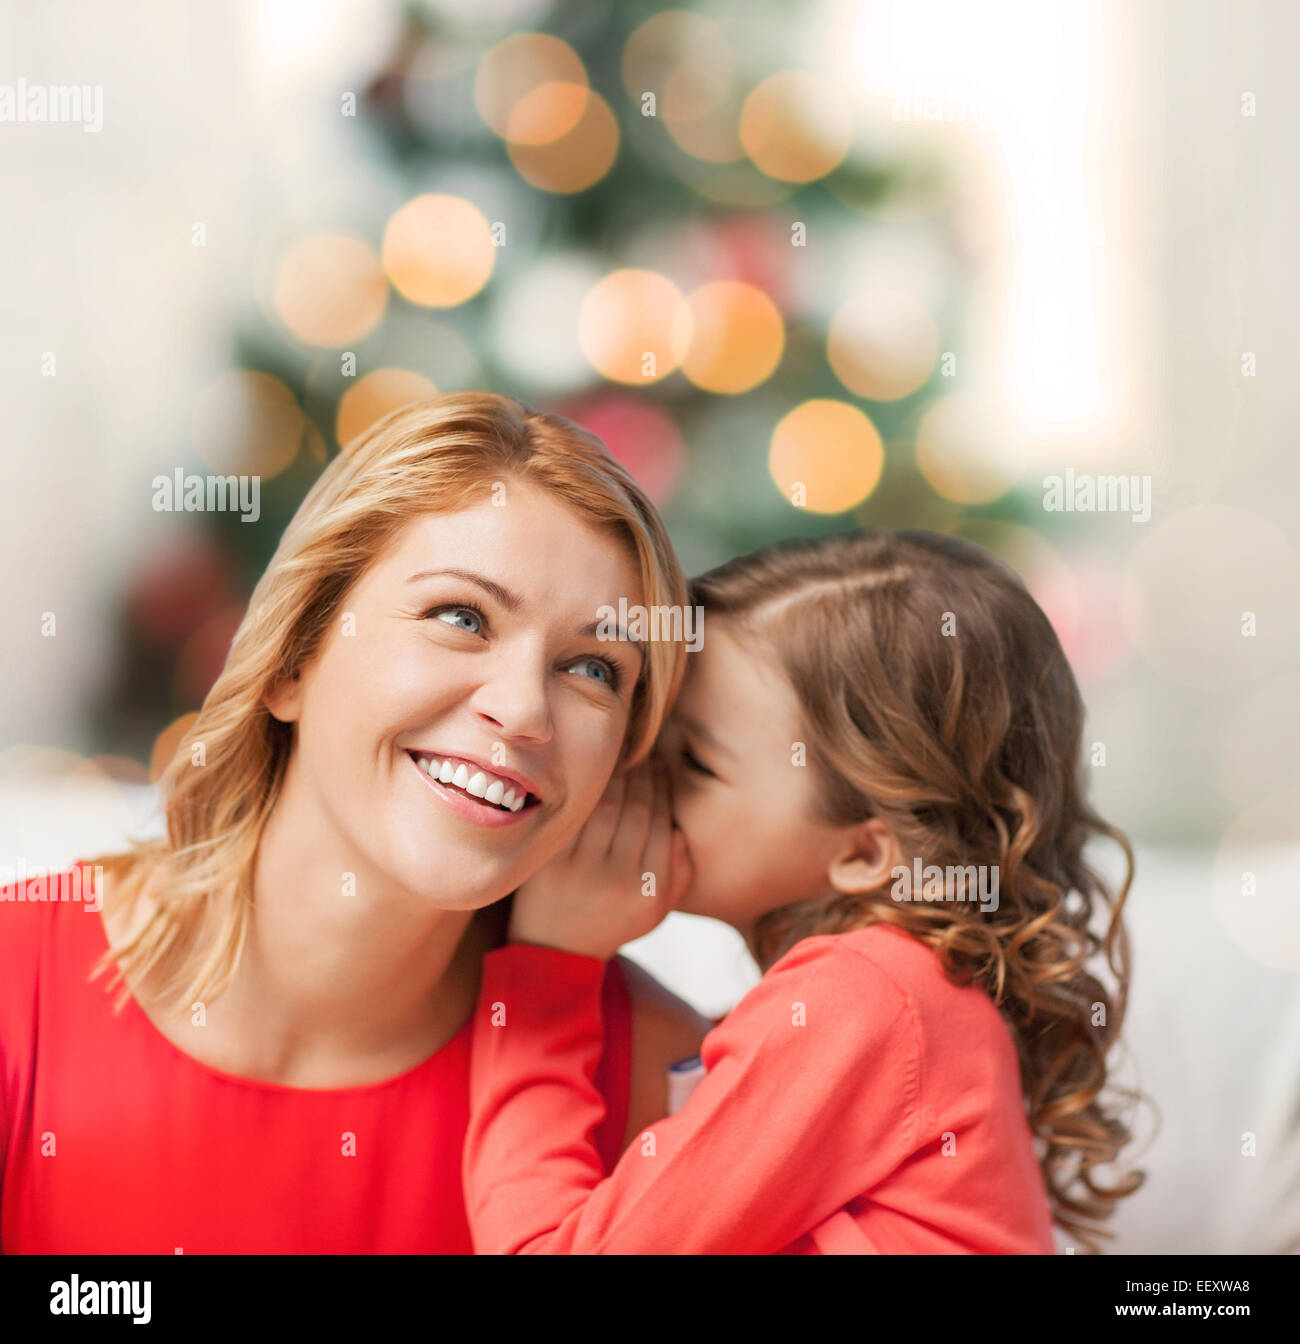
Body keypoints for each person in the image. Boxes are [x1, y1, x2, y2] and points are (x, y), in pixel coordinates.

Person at [0, 392, 711, 1253]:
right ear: (292, 659)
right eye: (461, 618)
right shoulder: (19, 991)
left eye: (594, 668)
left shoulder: (663, 1079)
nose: (525, 712)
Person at [463, 531, 1145, 1254]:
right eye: (649, 728)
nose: (634, 769)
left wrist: (549, 964)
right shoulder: (898, 999)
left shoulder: (863, 998)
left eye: (693, 759)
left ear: (864, 850)